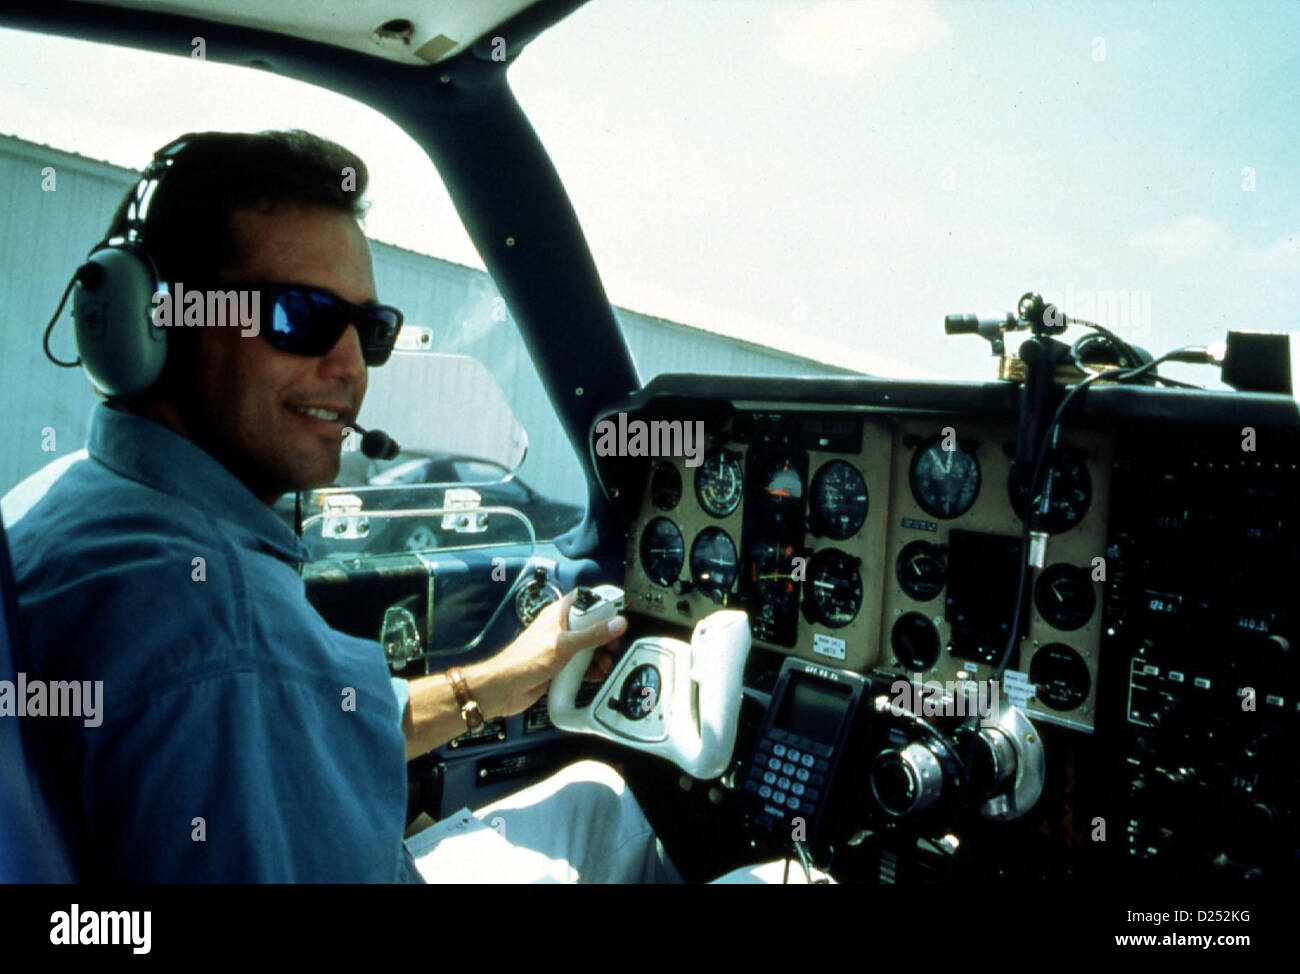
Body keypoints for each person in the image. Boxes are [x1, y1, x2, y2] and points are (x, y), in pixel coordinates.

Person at [8, 130, 682, 883]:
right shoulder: (224, 630)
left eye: (371, 330)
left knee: (594, 801)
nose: (352, 368)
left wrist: (498, 681)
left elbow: (307, 723)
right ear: (156, 317)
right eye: (301, 317)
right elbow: (254, 692)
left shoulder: (67, 498)